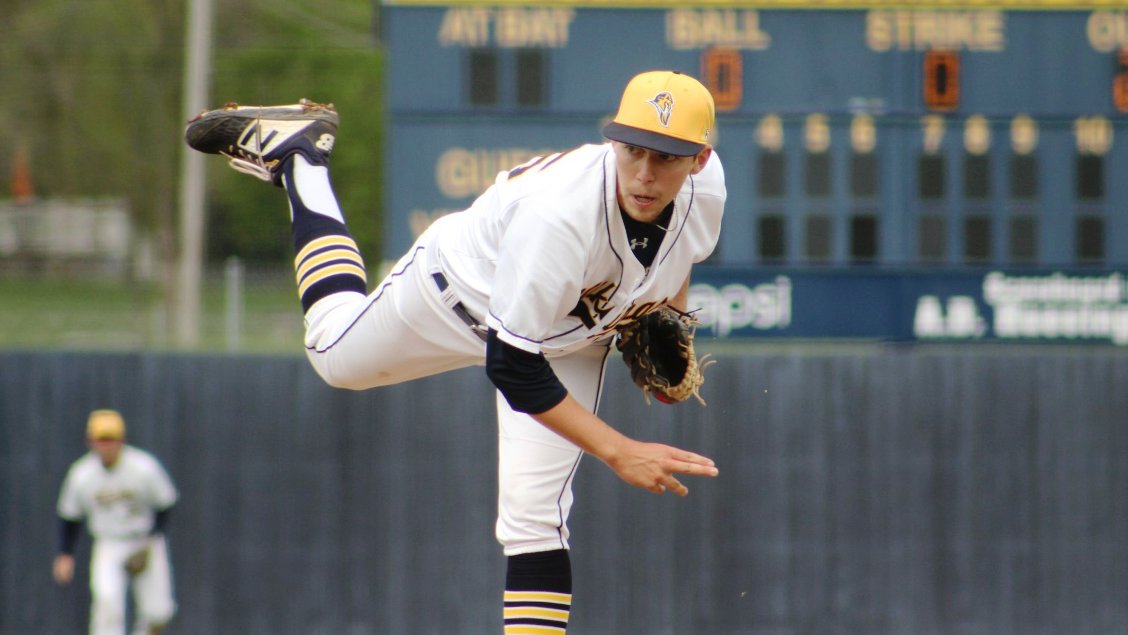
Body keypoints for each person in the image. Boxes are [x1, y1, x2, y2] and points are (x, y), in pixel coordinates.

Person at [185, 69, 724, 633]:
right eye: (633, 149)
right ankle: (300, 159)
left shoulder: (708, 192)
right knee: (331, 354)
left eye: (665, 157)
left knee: (537, 521)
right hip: (455, 297)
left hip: (569, 336)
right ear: (613, 140)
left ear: (699, 160)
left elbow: (678, 255)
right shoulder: (560, 216)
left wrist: (669, 316)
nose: (643, 172)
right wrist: (618, 450)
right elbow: (512, 366)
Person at [53, 409, 178, 635]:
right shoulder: (82, 474)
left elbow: (165, 504)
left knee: (158, 611)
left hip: (144, 539)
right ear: (90, 441)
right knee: (107, 605)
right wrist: (65, 553)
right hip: (108, 542)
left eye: (111, 439)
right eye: (101, 439)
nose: (106, 445)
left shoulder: (143, 467)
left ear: (122, 440)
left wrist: (152, 541)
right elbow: (70, 515)